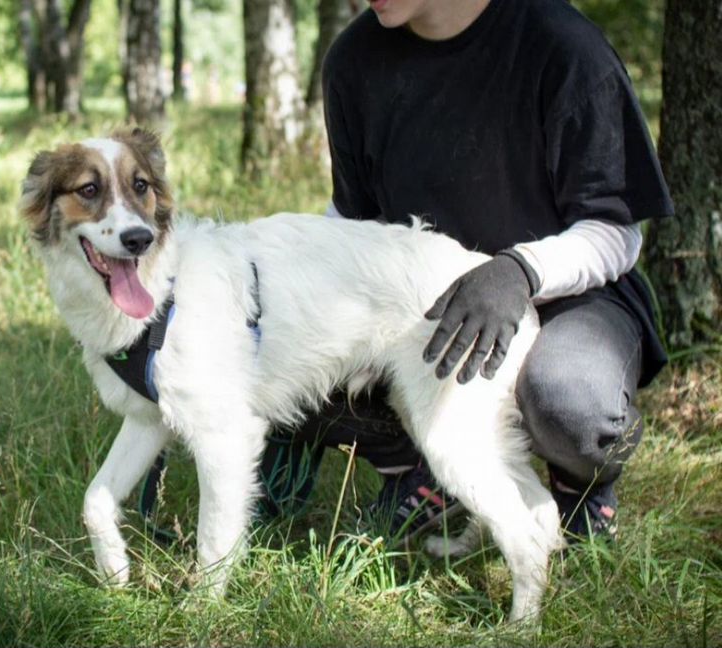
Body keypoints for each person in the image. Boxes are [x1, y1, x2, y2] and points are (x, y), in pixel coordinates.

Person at [142, 0, 674, 545]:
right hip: (417, 301)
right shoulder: (353, 60)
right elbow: (352, 222)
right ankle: (426, 472)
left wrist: (517, 270)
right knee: (271, 353)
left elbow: (617, 231)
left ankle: (580, 483)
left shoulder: (562, 45)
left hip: (566, 297)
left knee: (568, 401)